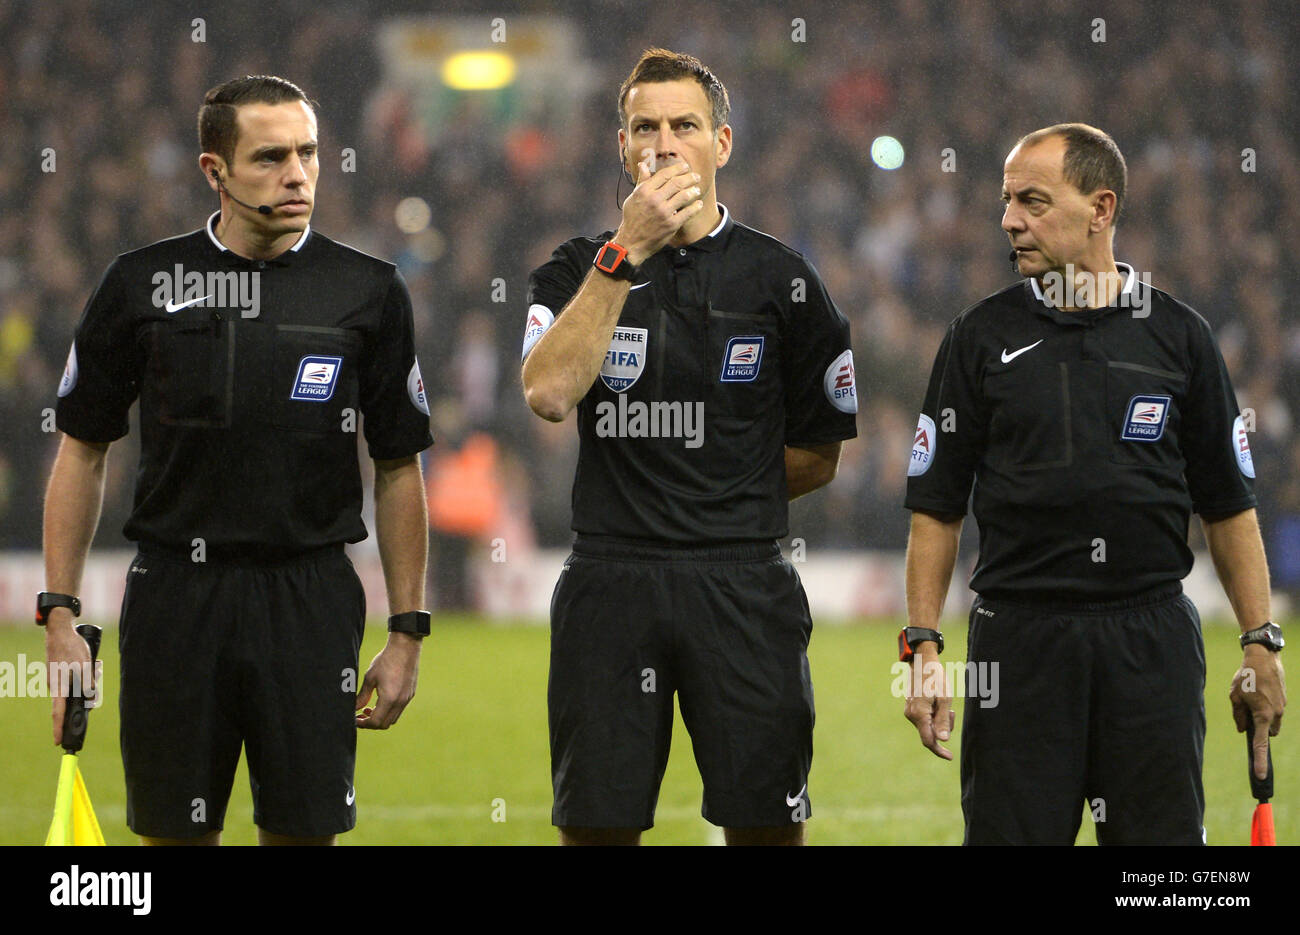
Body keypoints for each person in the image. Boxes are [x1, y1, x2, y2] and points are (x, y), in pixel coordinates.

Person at [41, 75, 434, 845]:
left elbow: (397, 466)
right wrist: (59, 614)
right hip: (175, 598)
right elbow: (82, 450)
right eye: (270, 157)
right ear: (214, 171)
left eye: (309, 152)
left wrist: (407, 629)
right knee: (174, 835)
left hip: (310, 596)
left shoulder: (369, 291)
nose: (298, 174)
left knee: (304, 832)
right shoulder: (141, 283)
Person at [902, 123, 1286, 845]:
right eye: (1007, 200)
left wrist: (1261, 641)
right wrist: (922, 646)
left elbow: (1229, 507)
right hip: (1018, 644)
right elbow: (936, 509)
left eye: (1034, 201)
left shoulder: (1180, 338)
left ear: (1100, 208)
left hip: (1151, 643)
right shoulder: (978, 337)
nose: (1010, 219)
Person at [521, 48, 857, 846]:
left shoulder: (786, 281)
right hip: (610, 582)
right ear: (622, 146)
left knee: (766, 825)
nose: (663, 144)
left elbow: (820, 450)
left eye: (684, 126)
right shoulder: (577, 267)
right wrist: (622, 255)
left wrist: (721, 496)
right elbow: (547, 392)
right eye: (645, 127)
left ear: (723, 143)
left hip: (743, 582)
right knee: (598, 826)